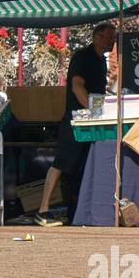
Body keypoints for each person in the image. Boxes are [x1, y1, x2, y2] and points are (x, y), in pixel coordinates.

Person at [35, 22, 118, 227]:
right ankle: (43, 210)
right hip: (76, 120)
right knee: (62, 163)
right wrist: (92, 109)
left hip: (91, 120)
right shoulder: (83, 56)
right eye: (109, 37)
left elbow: (97, 91)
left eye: (114, 38)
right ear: (97, 37)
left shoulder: (101, 61)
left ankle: (79, 210)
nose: (112, 41)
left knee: (81, 167)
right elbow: (77, 86)